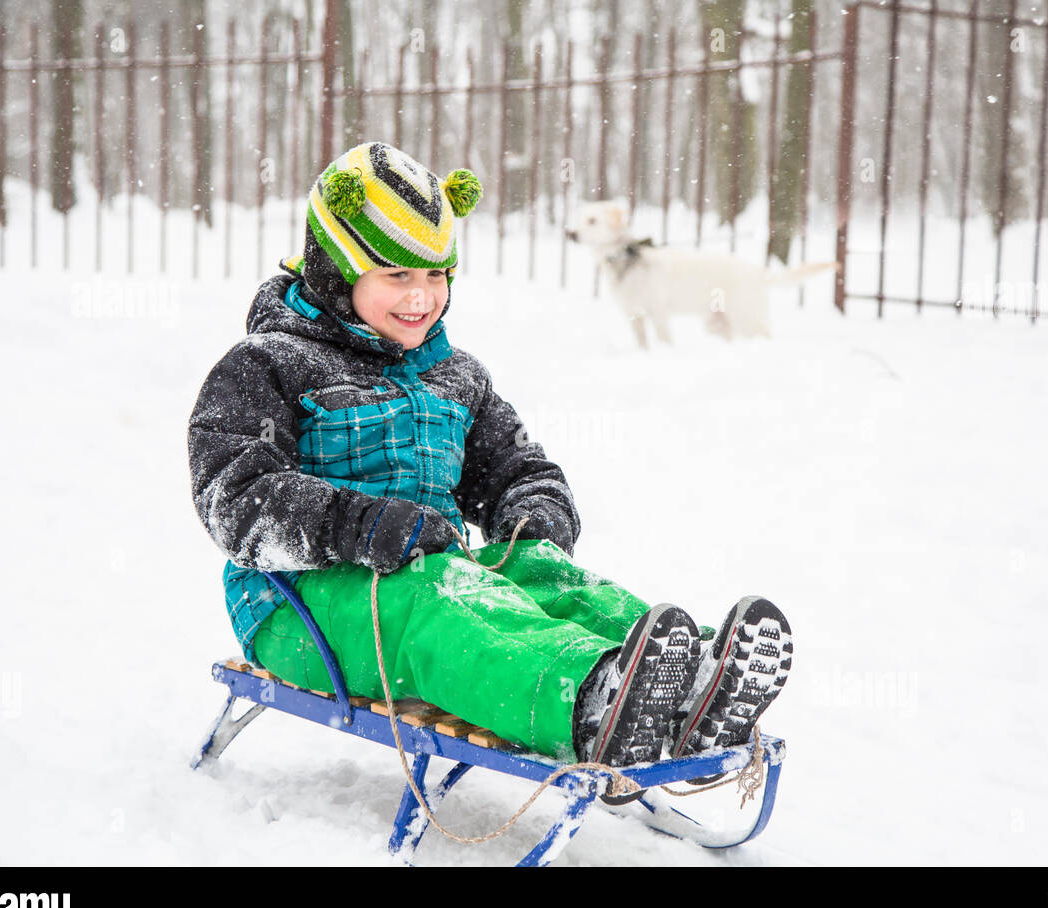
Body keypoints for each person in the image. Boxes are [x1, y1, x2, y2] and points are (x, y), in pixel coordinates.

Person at [187, 141, 792, 767]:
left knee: (536, 574)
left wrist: (535, 510)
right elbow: (234, 494)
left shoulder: (454, 375)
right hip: (300, 608)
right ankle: (587, 698)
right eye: (397, 274)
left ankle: (691, 681)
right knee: (439, 602)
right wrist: (363, 525)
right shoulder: (268, 365)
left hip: (432, 571)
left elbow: (513, 465)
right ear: (335, 272)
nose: (420, 296)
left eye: (435, 274)